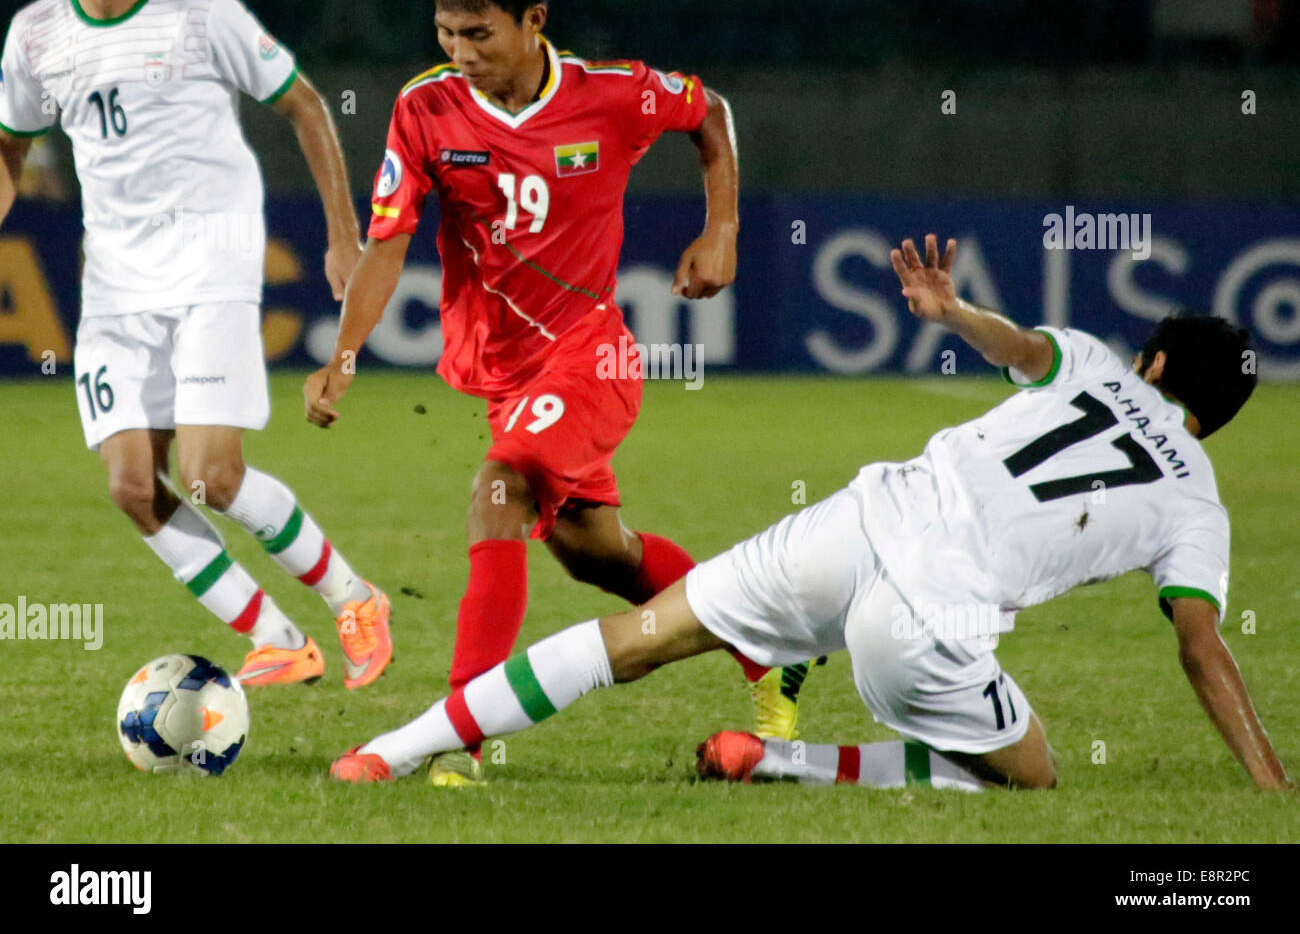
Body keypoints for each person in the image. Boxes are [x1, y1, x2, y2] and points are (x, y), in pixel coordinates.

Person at [331, 234, 1292, 793]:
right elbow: (1202, 647)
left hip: (857, 516)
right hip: (929, 610)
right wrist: (1270, 786)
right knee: (1030, 772)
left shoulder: (1087, 356)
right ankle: (783, 761)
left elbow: (1017, 345)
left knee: (638, 635)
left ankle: (386, 752)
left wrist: (952, 314)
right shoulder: (1198, 504)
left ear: (1153, 364)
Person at [304, 0, 813, 786]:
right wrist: (346, 352)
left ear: (533, 20)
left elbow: (710, 110)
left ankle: (452, 736)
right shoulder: (424, 109)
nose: (458, 50)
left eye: (478, 32)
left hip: (593, 357)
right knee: (599, 553)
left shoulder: (611, 94)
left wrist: (720, 227)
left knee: (497, 489)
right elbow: (387, 242)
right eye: (444, 31)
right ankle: (772, 648)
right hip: (508, 376)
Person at [0, 0, 393, 689]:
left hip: (212, 261)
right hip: (112, 282)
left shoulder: (204, 14)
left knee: (212, 474)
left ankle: (354, 597)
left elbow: (307, 105)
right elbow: (10, 147)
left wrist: (343, 235)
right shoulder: (34, 35)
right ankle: (280, 637)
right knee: (132, 484)